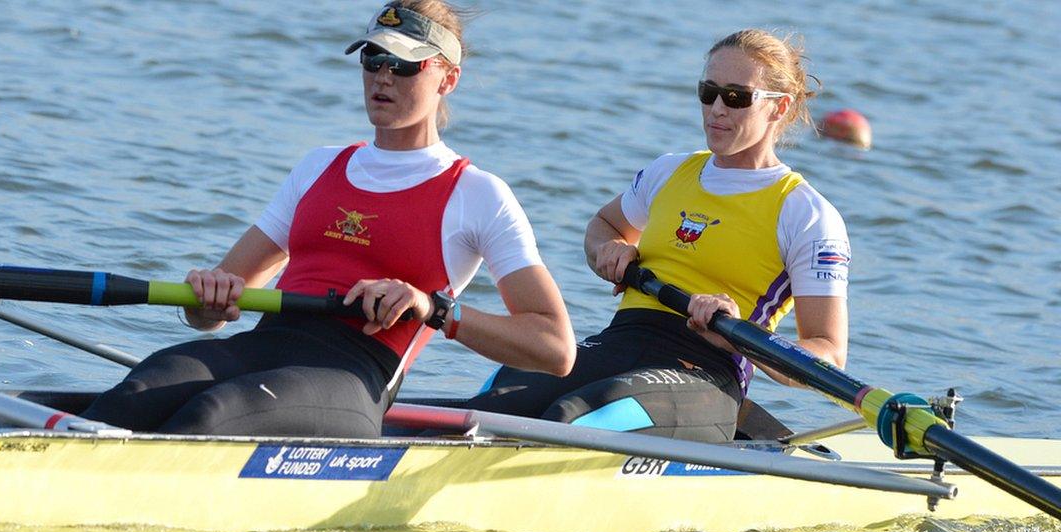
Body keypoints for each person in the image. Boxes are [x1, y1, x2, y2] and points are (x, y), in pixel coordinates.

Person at [82, 1, 575, 437]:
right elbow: (208, 314)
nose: (383, 76)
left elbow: (555, 349)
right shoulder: (319, 166)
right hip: (263, 347)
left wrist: (435, 309)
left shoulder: (478, 195)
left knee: (215, 412)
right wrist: (209, 295)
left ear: (448, 78)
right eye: (373, 58)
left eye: (404, 65)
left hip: (351, 377)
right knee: (152, 377)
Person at [468, 29, 849, 442]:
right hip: (622, 341)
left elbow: (827, 354)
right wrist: (610, 250)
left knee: (573, 418)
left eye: (736, 97)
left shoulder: (805, 213)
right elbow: (603, 226)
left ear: (779, 109)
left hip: (706, 373)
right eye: (708, 92)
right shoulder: (669, 171)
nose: (716, 109)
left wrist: (740, 335)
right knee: (500, 397)